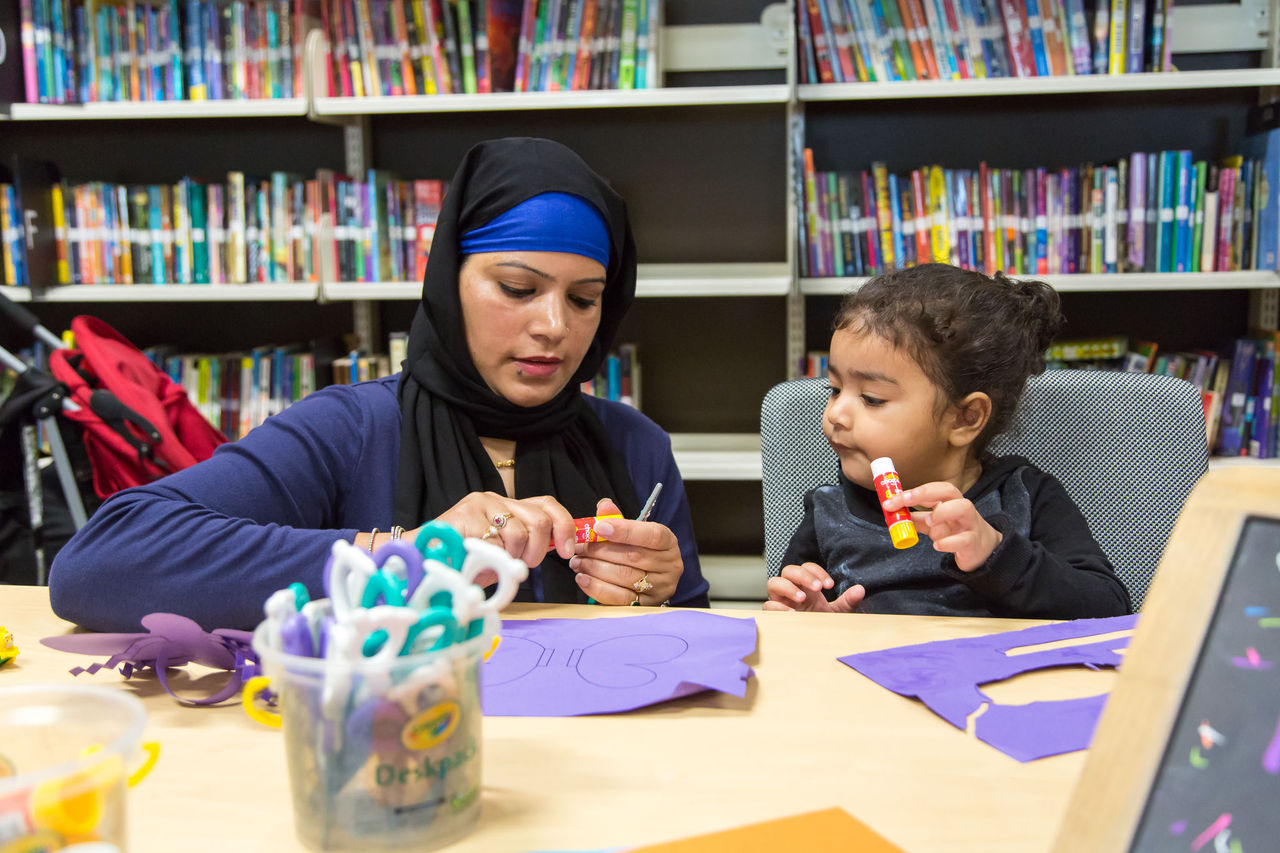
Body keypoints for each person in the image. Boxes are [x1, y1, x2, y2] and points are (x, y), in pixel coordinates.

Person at [50, 137, 708, 632]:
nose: (554, 326)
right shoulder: (351, 430)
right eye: (517, 288)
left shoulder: (635, 446)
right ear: (448, 280)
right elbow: (98, 563)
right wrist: (398, 554)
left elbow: (694, 657)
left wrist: (664, 597)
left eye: (586, 299)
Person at [765, 263, 1131, 619]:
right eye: (835, 389)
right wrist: (809, 617)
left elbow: (1108, 608)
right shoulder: (829, 511)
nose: (836, 414)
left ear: (965, 418)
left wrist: (996, 554)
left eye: (872, 398)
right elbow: (798, 625)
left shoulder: (1024, 496)